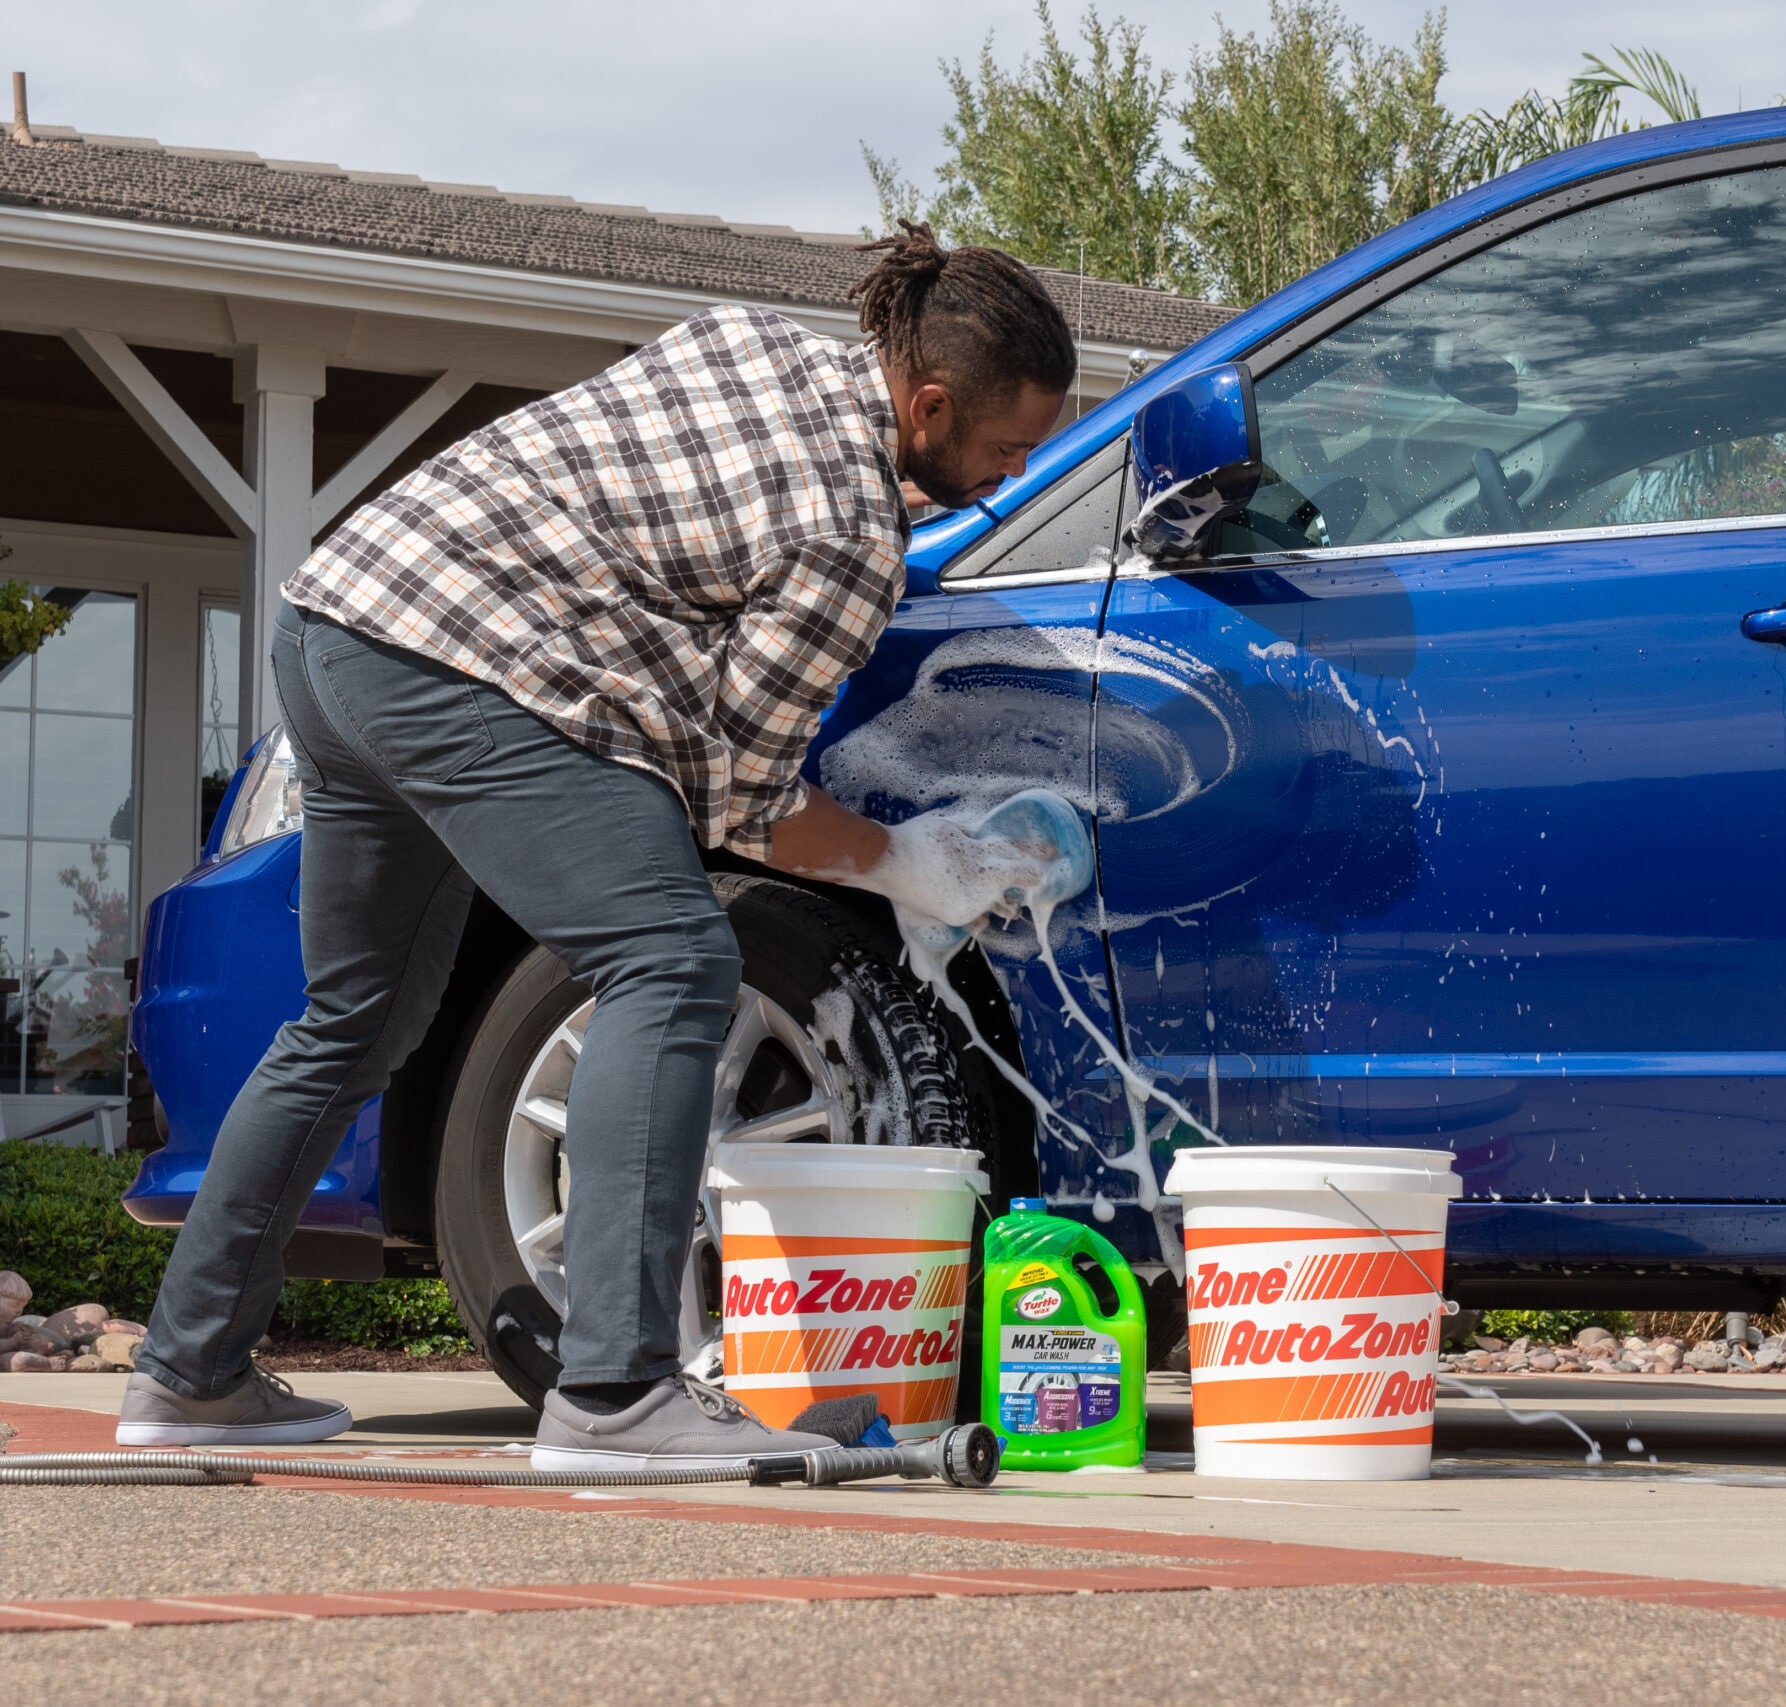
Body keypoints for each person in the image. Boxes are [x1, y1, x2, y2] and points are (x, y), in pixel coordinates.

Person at [118, 224, 1077, 1468]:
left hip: (335, 623)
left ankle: (185, 1374)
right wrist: (906, 861)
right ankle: (617, 1396)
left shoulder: (754, 345)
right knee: (671, 961)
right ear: (931, 403)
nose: (1006, 478)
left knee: (352, 1019)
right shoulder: (848, 538)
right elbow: (744, 803)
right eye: (1004, 450)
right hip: (460, 668)